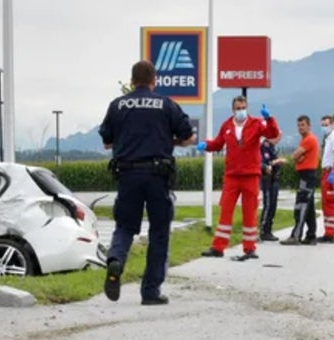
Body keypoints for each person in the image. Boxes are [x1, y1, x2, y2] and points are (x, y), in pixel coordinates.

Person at [98, 60, 197, 306]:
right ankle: (150, 291)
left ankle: (116, 260)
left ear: (132, 81)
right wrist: (168, 140)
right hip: (157, 176)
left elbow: (107, 142)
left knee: (125, 226)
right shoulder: (166, 105)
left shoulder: (117, 105)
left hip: (127, 176)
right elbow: (189, 137)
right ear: (155, 81)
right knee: (159, 232)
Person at [198, 96, 279, 261]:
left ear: (247, 108)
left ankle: (249, 248)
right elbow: (218, 144)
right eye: (237, 108)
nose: (240, 110)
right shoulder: (227, 125)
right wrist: (206, 145)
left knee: (250, 212)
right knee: (225, 211)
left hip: (250, 174)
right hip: (232, 175)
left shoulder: (256, 123)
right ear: (233, 109)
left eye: (243, 107)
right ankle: (218, 247)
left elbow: (273, 134)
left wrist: (269, 118)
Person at [281, 115, 320, 246]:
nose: (300, 128)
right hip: (307, 174)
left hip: (307, 175)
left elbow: (294, 155)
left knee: (301, 206)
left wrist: (298, 157)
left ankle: (295, 236)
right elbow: (298, 157)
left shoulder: (308, 139)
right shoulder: (306, 140)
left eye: (303, 125)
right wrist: (299, 158)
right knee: (309, 207)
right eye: (298, 125)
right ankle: (311, 235)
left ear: (309, 126)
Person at [319, 114, 334, 243]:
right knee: (325, 203)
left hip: (331, 172)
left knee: (330, 202)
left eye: (326, 125)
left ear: (332, 125)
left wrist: (333, 172)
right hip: (326, 172)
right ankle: (327, 231)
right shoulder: (328, 138)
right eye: (322, 125)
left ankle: (330, 234)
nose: (324, 127)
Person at [257, 135, 282, 242]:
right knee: (267, 204)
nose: (278, 139)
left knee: (273, 205)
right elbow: (264, 163)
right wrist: (276, 162)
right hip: (267, 179)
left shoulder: (272, 147)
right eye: (277, 137)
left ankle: (268, 230)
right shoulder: (264, 146)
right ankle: (263, 230)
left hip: (274, 179)